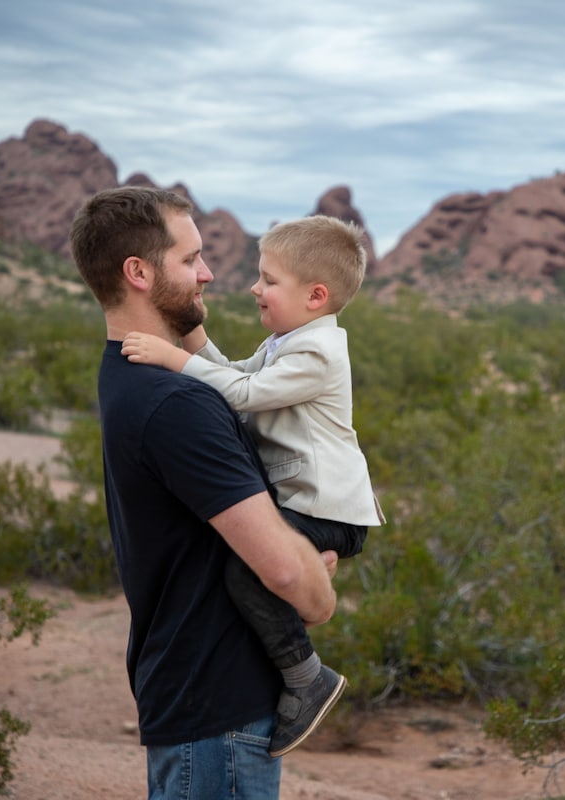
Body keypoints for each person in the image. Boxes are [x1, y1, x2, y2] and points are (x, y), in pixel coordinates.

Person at [69, 186, 339, 800]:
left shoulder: (130, 374)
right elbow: (286, 574)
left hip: (195, 693)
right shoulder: (176, 403)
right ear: (137, 272)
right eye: (191, 259)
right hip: (217, 709)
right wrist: (314, 587)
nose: (209, 274)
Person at [121, 215, 385, 757]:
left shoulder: (317, 354)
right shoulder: (287, 341)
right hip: (309, 502)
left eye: (268, 280)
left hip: (329, 507)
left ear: (315, 296)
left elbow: (240, 395)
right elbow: (235, 378)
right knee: (254, 563)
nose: (253, 288)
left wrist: (173, 357)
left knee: (248, 568)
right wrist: (193, 334)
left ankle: (305, 677)